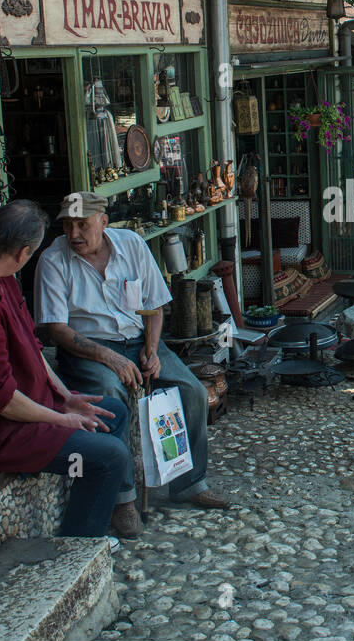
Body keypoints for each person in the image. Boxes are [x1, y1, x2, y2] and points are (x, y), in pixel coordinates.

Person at [0, 200, 137, 539]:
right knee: (110, 456)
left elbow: (31, 344)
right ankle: (76, 547)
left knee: (112, 412)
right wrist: (60, 419)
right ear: (22, 254)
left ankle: (96, 510)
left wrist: (64, 397)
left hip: (26, 400)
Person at [35, 192, 229, 510]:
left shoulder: (132, 245)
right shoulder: (53, 260)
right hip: (88, 349)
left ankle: (190, 483)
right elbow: (57, 330)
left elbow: (154, 307)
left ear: (103, 222)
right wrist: (110, 358)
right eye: (68, 225)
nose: (74, 234)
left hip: (139, 340)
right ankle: (123, 498)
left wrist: (151, 350)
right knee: (112, 396)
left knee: (192, 391)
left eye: (82, 225)